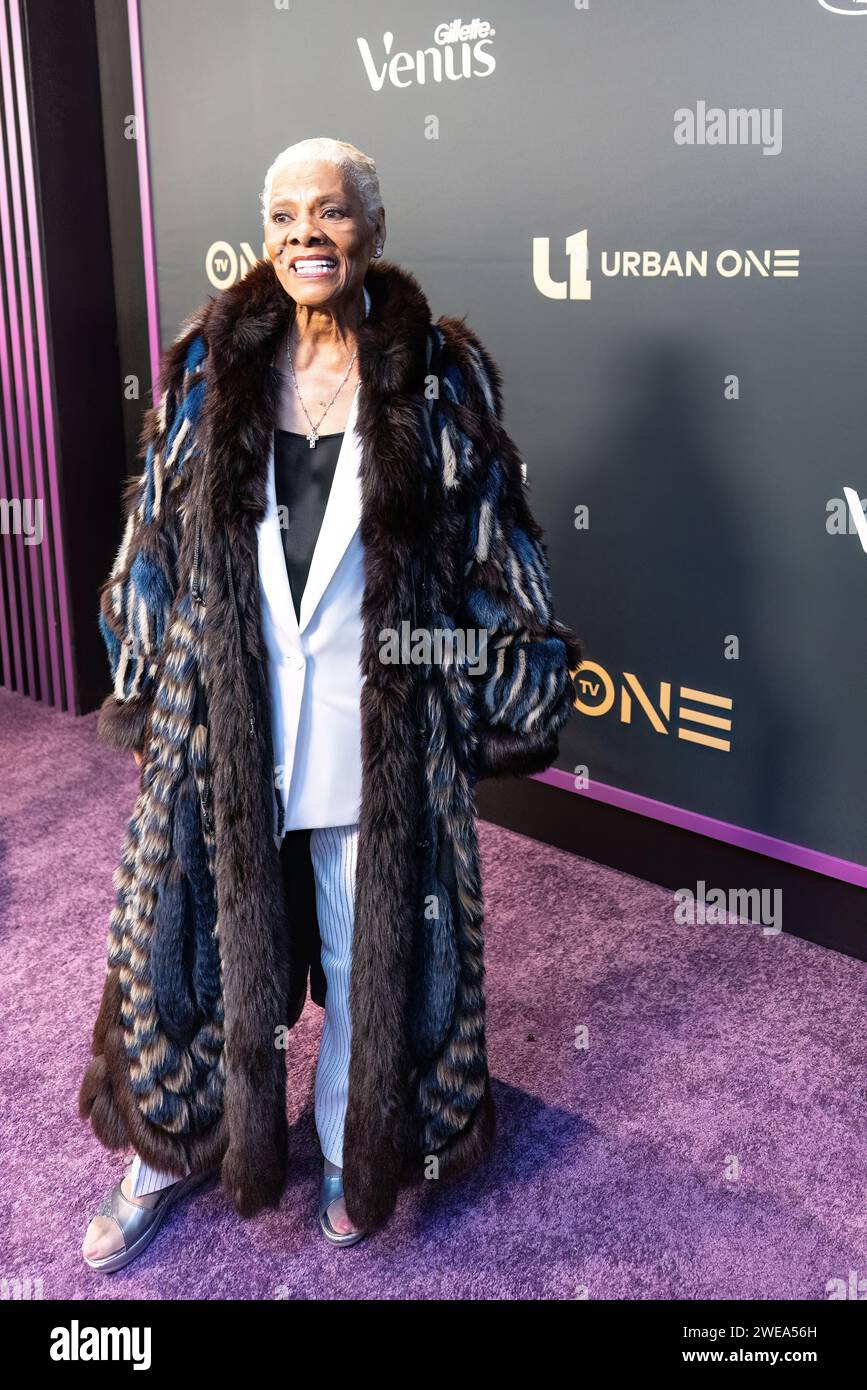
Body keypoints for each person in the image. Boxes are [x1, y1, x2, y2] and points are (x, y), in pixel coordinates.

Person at [79, 137, 581, 1270]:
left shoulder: (440, 375)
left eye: (333, 212)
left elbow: (495, 549)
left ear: (373, 230)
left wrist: (487, 684)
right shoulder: (210, 366)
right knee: (190, 941)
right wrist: (153, 679)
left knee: (374, 953)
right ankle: (167, 1145)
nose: (309, 232)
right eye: (288, 215)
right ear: (266, 237)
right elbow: (152, 540)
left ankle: (358, 1147)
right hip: (231, 721)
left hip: (375, 727)